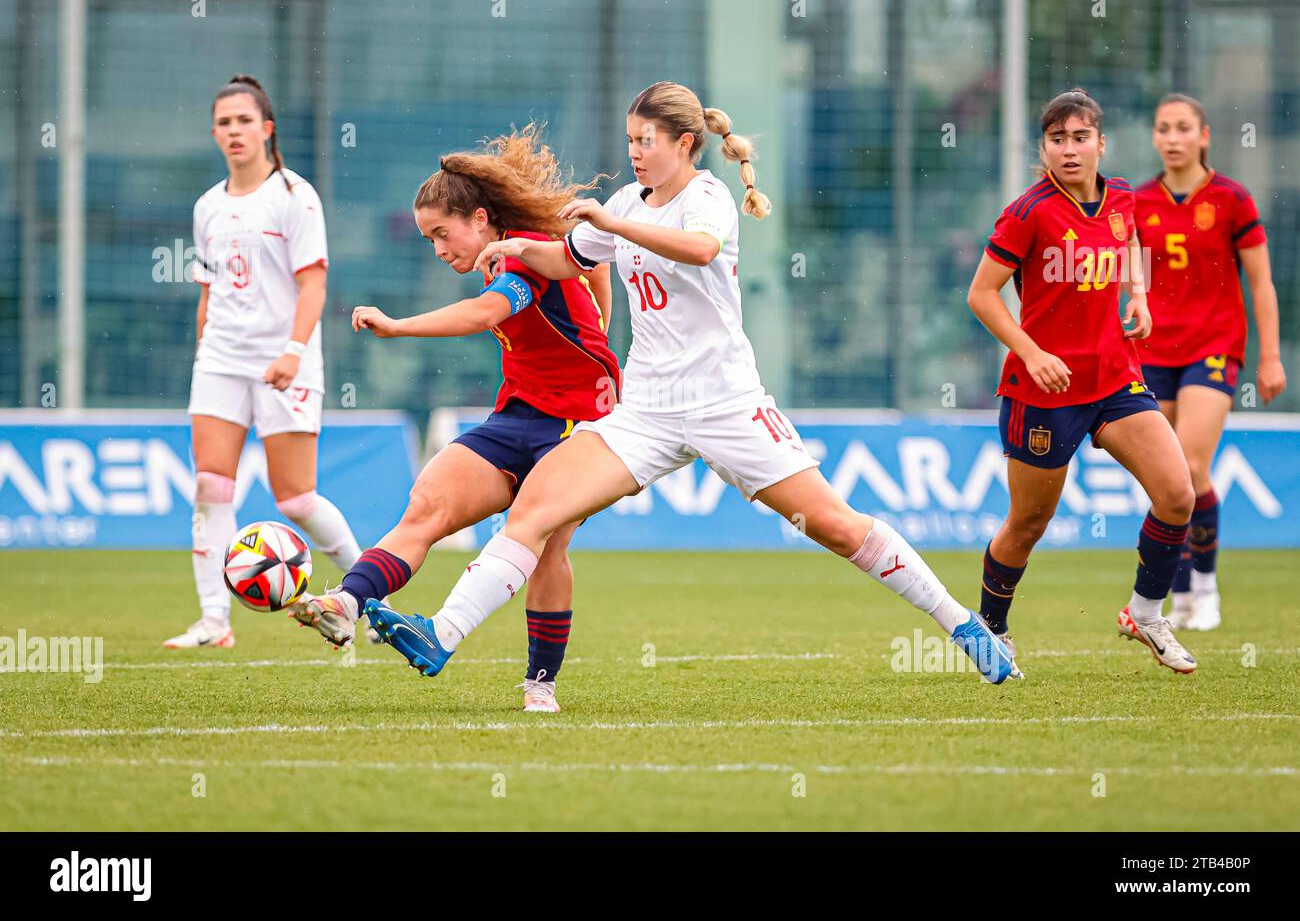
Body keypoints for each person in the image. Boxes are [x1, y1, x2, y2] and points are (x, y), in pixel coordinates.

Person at [364, 80, 1020, 687]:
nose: (635, 152)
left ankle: (963, 623)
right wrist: (513, 249)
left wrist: (611, 228)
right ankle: (439, 634)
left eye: (645, 140)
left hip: (724, 404)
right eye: (629, 140)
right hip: (645, 411)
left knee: (839, 528)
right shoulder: (624, 202)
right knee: (535, 511)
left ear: (685, 144)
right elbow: (568, 258)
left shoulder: (705, 198)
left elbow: (699, 249)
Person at [288, 124, 620, 713]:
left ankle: (539, 687)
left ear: (482, 220)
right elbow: (592, 266)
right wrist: (597, 317)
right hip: (518, 413)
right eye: (428, 239)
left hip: (581, 422)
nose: (438, 249)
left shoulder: (523, 258)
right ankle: (346, 601)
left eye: (442, 234)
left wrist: (397, 326)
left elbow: (483, 312)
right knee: (427, 506)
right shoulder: (517, 252)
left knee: (546, 545)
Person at [966, 88, 1197, 674]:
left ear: (1101, 143)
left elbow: (1132, 243)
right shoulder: (1027, 213)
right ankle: (991, 627)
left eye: (1079, 138)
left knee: (1177, 494)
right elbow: (981, 294)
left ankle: (1145, 613)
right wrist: (1031, 350)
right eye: (1056, 139)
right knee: (1028, 525)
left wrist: (1139, 295)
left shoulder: (1121, 197)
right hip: (1042, 390)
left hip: (1116, 379)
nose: (1069, 150)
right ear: (1043, 148)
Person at [167, 75, 366, 650]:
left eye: (244, 121)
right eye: (224, 123)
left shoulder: (294, 196)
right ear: (214, 132)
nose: (234, 131)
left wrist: (293, 351)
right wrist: (205, 352)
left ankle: (369, 597)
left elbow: (314, 285)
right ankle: (213, 621)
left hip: (287, 359)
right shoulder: (207, 206)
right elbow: (209, 293)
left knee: (296, 498)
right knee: (210, 485)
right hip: (221, 361)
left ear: (267, 129)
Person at [1135, 93, 1287, 631]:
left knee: (1190, 465)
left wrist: (1270, 356)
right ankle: (1179, 598)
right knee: (1165, 481)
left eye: (1182, 128)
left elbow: (1261, 282)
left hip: (1213, 349)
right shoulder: (1136, 203)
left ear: (1204, 136)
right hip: (1151, 352)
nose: (1172, 138)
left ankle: (1205, 588)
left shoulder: (1231, 199)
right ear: (1154, 137)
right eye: (1162, 129)